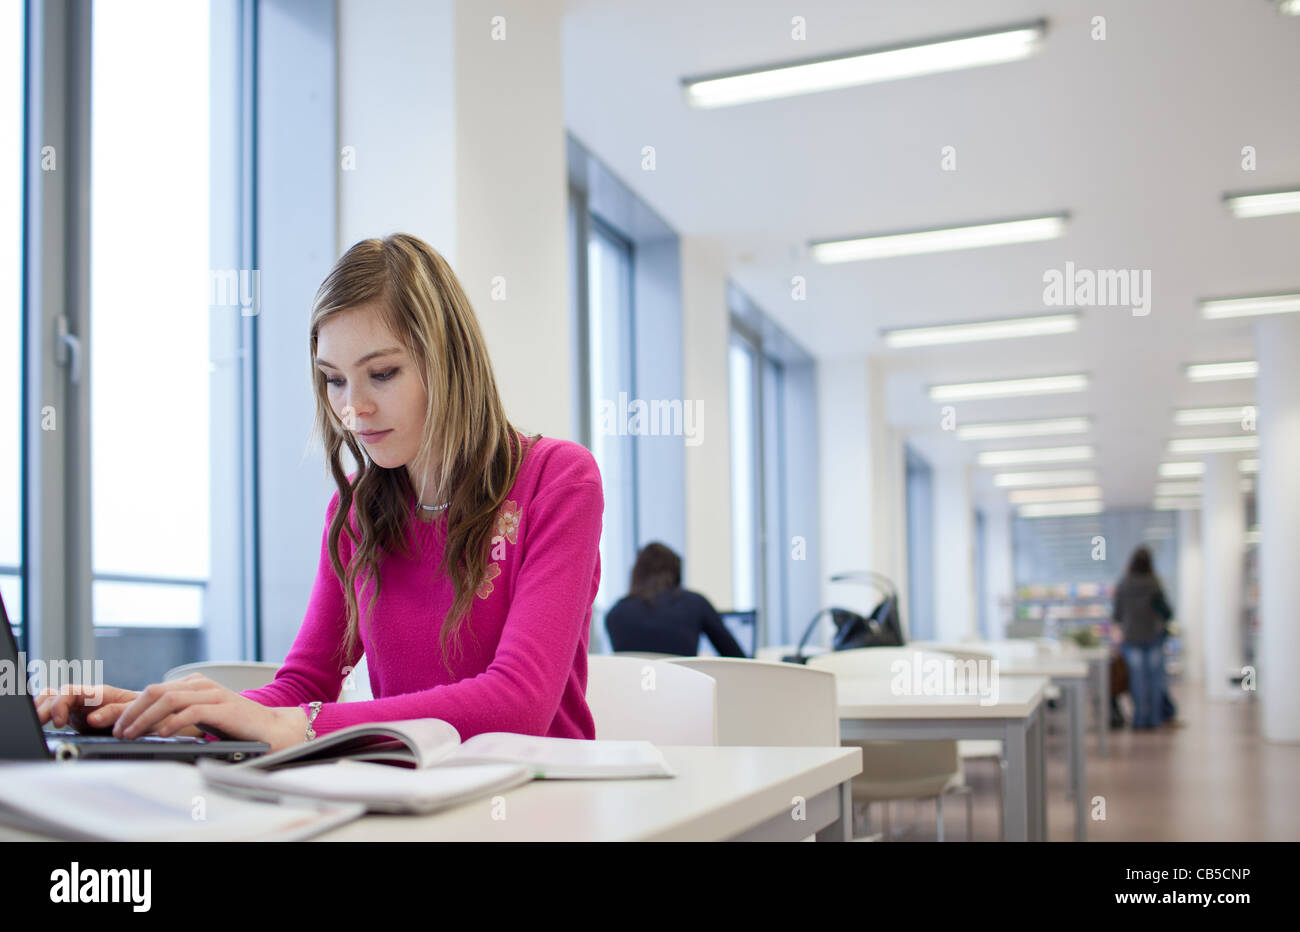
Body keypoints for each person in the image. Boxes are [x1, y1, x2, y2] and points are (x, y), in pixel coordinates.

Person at [36, 233, 604, 751]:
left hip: (542, 802)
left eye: (381, 374)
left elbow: (519, 703)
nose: (352, 409)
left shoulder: (559, 480)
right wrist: (166, 715)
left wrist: (303, 724)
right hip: (410, 802)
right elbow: (306, 684)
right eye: (334, 379)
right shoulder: (356, 510)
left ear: (450, 360)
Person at [605, 543, 746, 657]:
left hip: (632, 691)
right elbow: (736, 658)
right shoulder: (695, 603)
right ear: (676, 574)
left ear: (636, 574)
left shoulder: (614, 614)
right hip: (682, 690)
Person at [1111, 546, 1172, 730]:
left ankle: (1138, 719)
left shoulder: (1123, 584)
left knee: (1137, 681)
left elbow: (1117, 615)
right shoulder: (1154, 584)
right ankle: (1154, 719)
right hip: (1153, 636)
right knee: (1155, 680)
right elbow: (1167, 612)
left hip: (1131, 638)